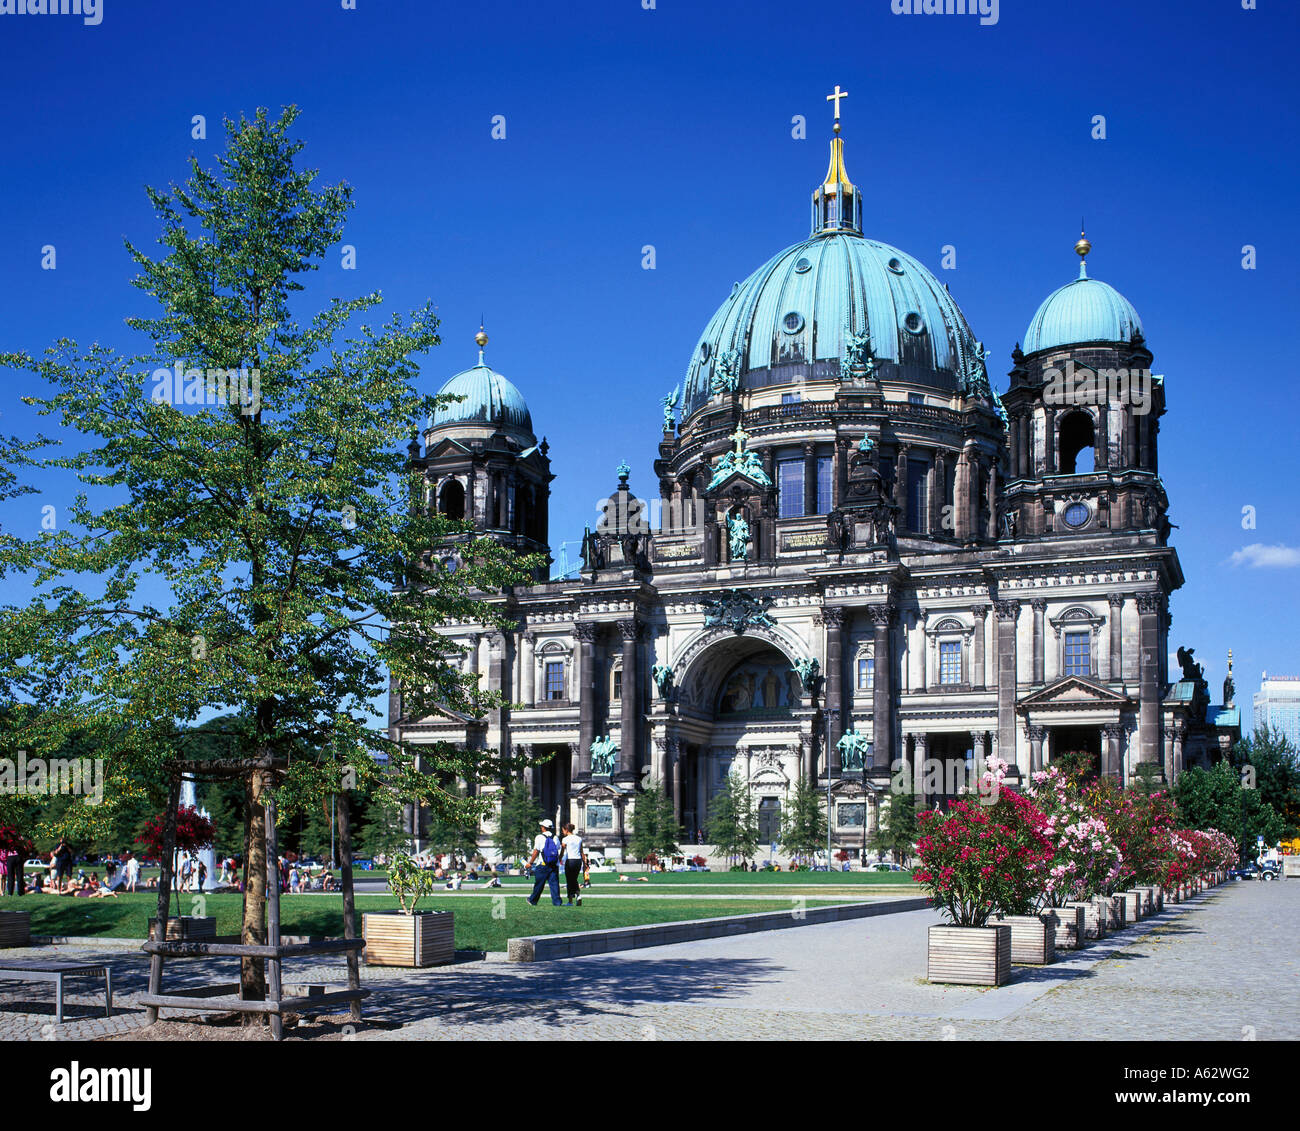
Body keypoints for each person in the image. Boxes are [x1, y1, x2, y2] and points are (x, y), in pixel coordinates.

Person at [525, 819, 564, 907]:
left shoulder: (539, 837)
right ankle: (557, 902)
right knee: (554, 885)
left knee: (539, 884)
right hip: (553, 865)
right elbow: (557, 850)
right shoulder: (556, 837)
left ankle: (533, 900)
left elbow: (536, 851)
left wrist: (530, 863)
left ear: (543, 828)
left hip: (542, 864)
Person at [560, 822, 587, 907]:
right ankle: (578, 896)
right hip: (578, 861)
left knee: (569, 880)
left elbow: (562, 851)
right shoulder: (579, 839)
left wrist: (559, 858)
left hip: (570, 861)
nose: (562, 832)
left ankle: (570, 901)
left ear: (566, 830)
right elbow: (582, 852)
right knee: (574, 879)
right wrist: (585, 863)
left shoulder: (565, 839)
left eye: (563, 830)